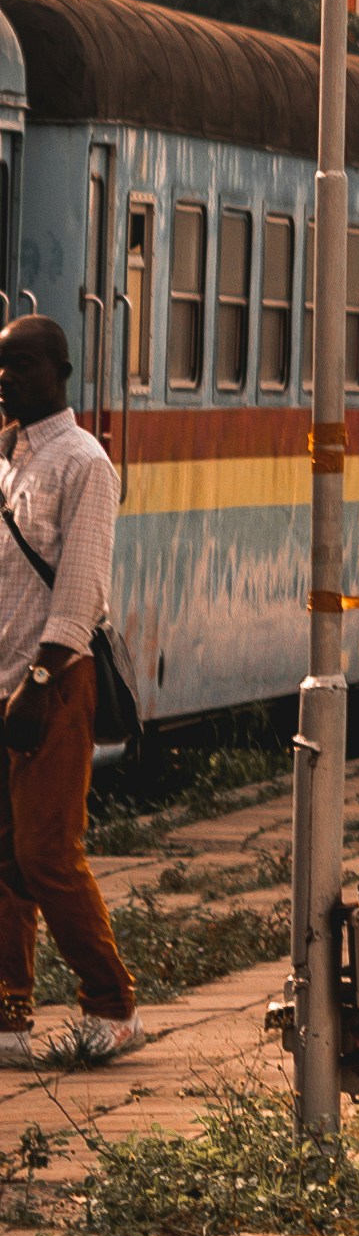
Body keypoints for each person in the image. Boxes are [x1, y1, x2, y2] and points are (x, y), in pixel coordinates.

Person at [0, 315, 122, 1063]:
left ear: (62, 371)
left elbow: (80, 594)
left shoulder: (85, 463)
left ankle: (112, 1004)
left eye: (22, 365)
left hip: (53, 683)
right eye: (0, 366)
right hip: (5, 682)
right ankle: (9, 1014)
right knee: (4, 858)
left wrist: (38, 684)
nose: (6, 378)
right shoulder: (9, 460)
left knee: (46, 853)